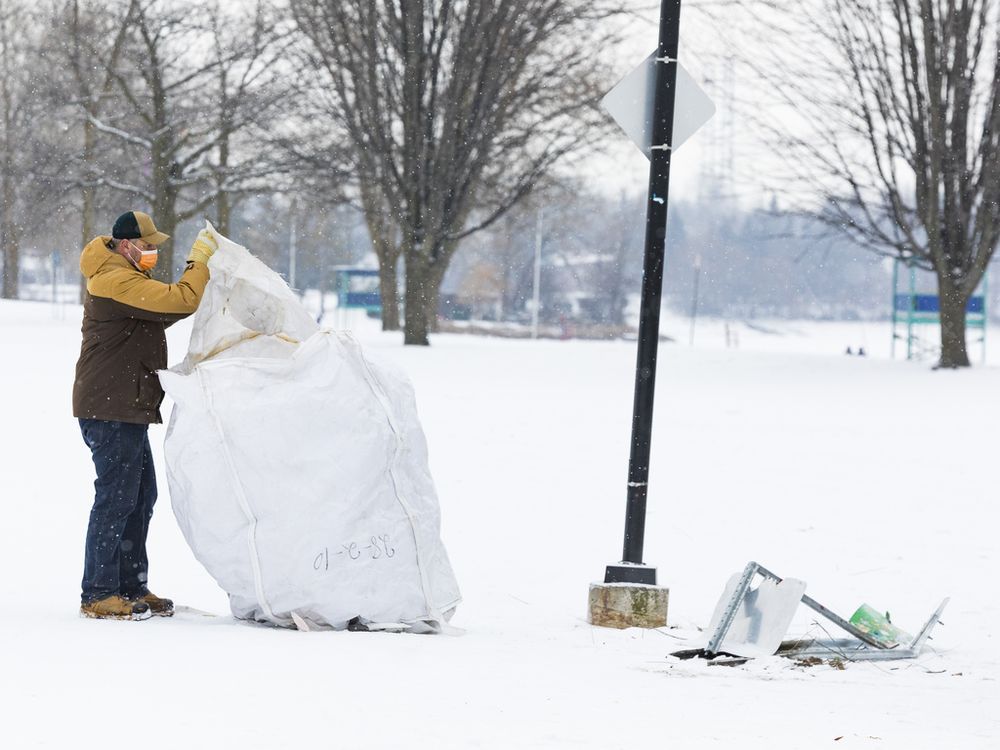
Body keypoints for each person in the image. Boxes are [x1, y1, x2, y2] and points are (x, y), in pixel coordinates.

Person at [73, 211, 218, 620]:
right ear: (125, 245)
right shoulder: (115, 280)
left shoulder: (128, 279)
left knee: (139, 497)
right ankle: (98, 592)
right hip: (109, 406)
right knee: (116, 498)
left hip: (125, 404)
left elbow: (168, 309)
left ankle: (131, 585)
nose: (153, 251)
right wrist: (199, 263)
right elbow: (181, 300)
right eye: (147, 244)